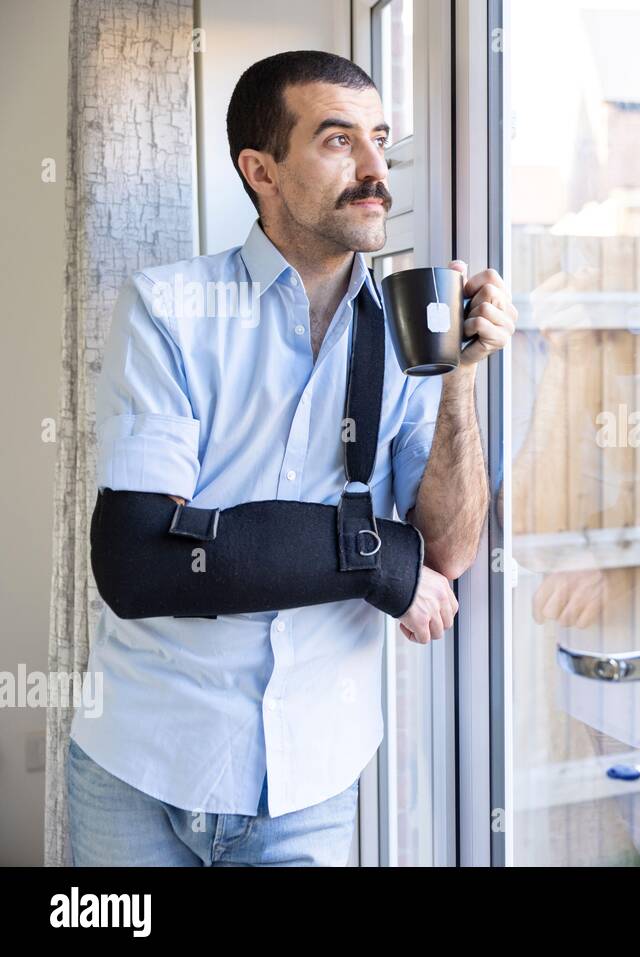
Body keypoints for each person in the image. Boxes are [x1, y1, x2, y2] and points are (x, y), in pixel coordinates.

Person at [65, 50, 517, 866]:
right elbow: (137, 562)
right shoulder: (168, 311)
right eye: (339, 141)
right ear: (261, 169)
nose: (377, 170)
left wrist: (461, 382)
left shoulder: (410, 334)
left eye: (381, 140)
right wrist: (377, 564)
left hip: (311, 782)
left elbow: (445, 554)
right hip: (140, 765)